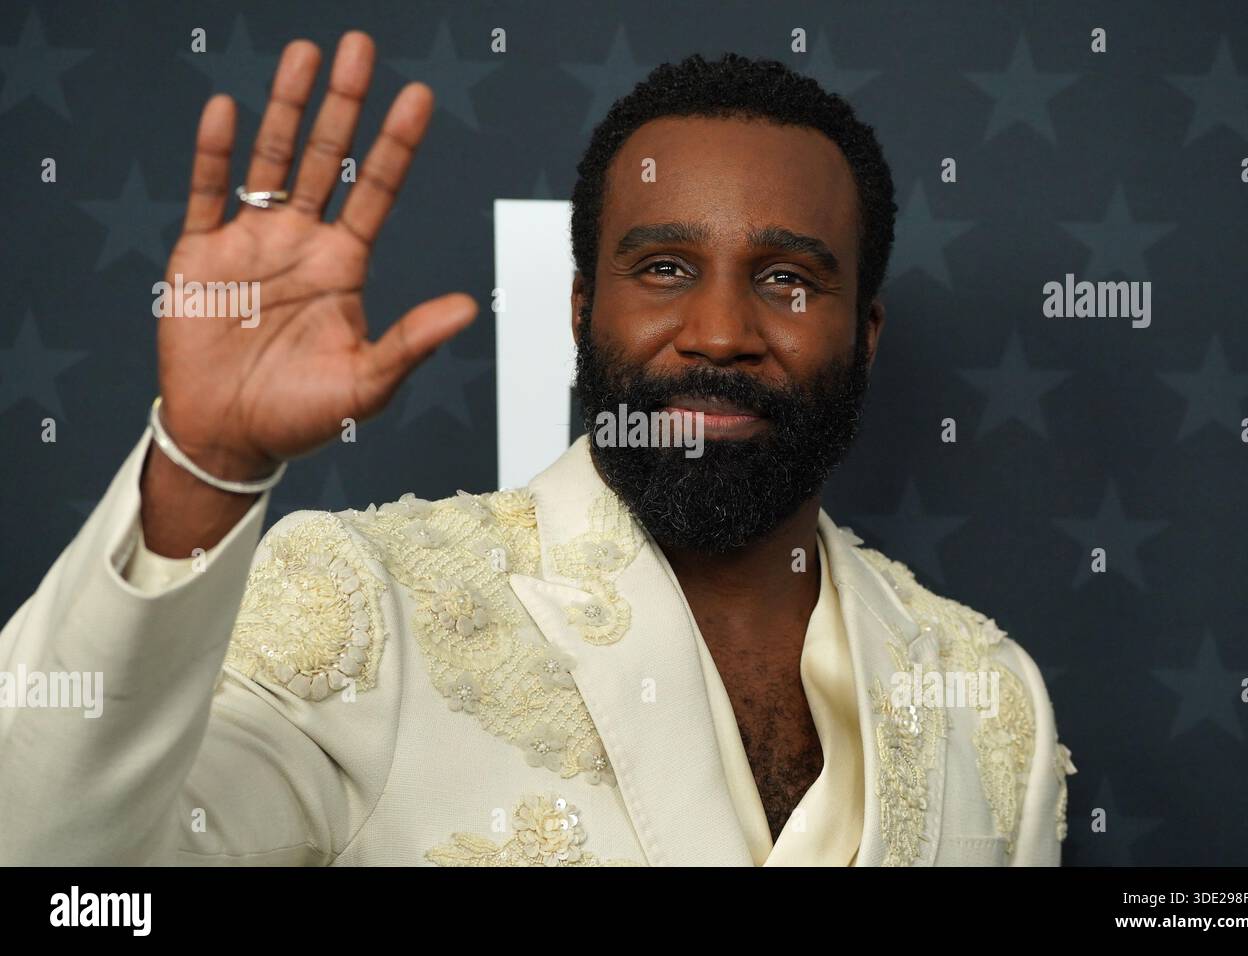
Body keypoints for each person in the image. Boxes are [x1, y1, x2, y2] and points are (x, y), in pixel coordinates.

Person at [0, 31, 1074, 866]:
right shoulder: (365, 608)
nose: (719, 332)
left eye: (786, 279)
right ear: (579, 308)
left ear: (864, 335)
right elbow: (59, 867)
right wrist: (204, 465)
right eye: (663, 268)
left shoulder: (987, 696)